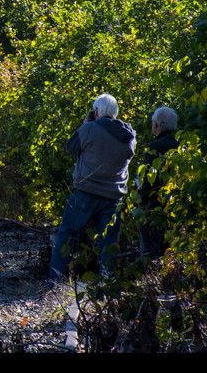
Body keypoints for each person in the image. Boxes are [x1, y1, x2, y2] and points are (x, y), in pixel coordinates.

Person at [49, 93, 137, 282]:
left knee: (66, 236)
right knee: (109, 243)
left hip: (85, 192)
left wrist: (85, 123)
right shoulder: (129, 136)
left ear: (96, 111)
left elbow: (70, 147)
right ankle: (108, 283)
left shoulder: (89, 129)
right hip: (113, 196)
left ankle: (56, 280)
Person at [137, 106, 178, 261]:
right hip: (173, 207)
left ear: (156, 125)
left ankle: (150, 283)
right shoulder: (179, 145)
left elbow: (148, 180)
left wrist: (141, 202)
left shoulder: (155, 147)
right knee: (169, 254)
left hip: (152, 207)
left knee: (150, 254)